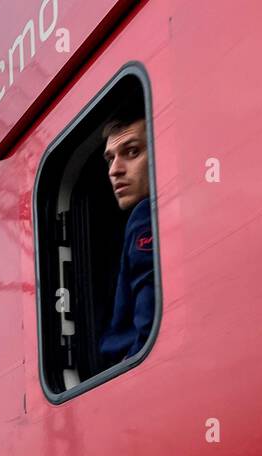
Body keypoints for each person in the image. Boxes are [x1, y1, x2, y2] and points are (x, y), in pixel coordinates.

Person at [98, 112, 156, 369]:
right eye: (110, 158)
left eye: (132, 152)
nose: (114, 170)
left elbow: (150, 330)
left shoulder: (145, 215)